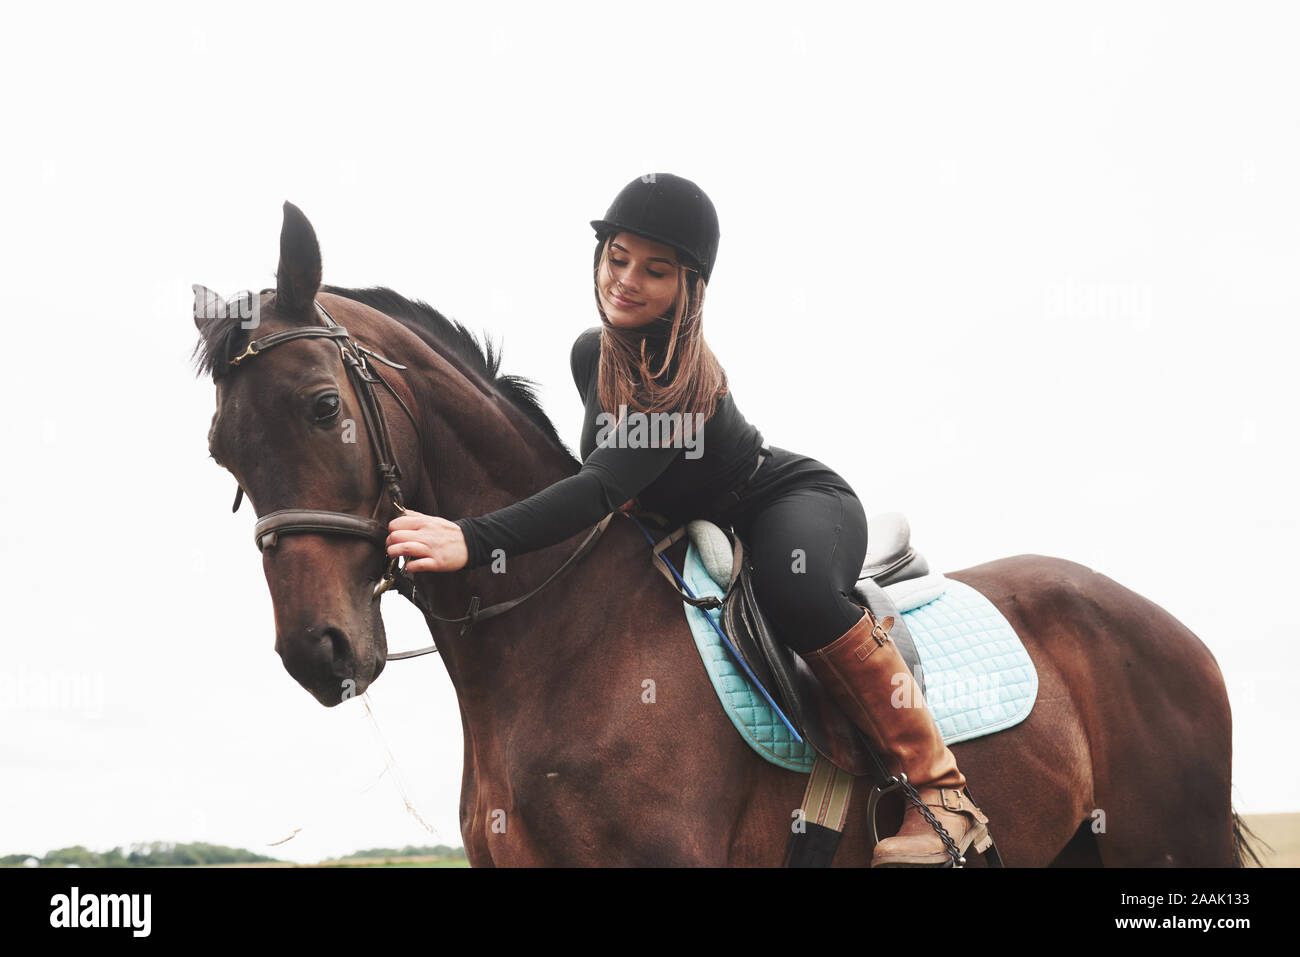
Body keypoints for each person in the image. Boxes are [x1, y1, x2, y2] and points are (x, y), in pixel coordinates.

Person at [385, 173, 990, 866]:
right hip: (695, 524)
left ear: (690, 286)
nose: (628, 280)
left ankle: (942, 791)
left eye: (656, 269)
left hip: (787, 502)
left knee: (799, 593)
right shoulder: (595, 352)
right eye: (618, 258)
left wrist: (470, 537)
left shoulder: (681, 381)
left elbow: (599, 488)